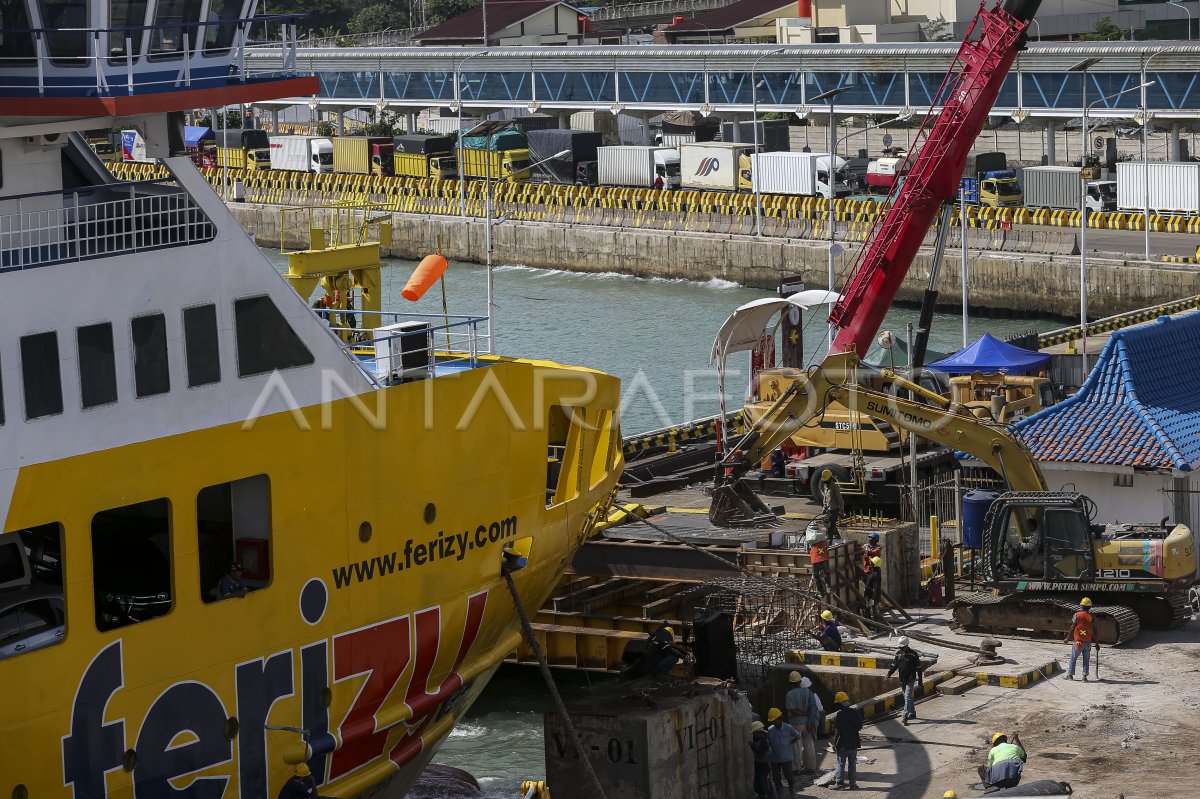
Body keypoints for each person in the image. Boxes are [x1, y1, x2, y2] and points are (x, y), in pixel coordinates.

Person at [784, 672, 819, 775]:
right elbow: (814, 707)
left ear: (790, 683)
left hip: (795, 723)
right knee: (809, 745)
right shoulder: (808, 692)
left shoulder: (789, 695)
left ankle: (796, 768)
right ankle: (810, 767)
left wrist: (804, 714)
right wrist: (810, 721)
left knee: (796, 746)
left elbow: (793, 711)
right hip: (808, 723)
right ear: (800, 682)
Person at [886, 636, 923, 725]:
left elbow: (919, 668)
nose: (901, 648)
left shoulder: (914, 654)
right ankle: (912, 713)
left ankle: (905, 716)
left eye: (902, 647)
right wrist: (888, 674)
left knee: (907, 697)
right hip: (902, 679)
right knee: (908, 698)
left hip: (911, 678)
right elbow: (894, 666)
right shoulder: (898, 654)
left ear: (907, 645)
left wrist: (920, 680)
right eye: (900, 647)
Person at [765, 707, 802, 796]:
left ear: (780, 719)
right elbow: (768, 742)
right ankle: (780, 794)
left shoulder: (788, 728)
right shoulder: (770, 730)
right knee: (776, 779)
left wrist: (791, 742)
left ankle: (791, 789)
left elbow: (798, 735)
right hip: (774, 759)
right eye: (772, 721)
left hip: (787, 758)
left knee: (789, 777)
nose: (774, 722)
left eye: (775, 720)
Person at [830, 691, 862, 791]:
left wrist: (834, 744)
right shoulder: (855, 712)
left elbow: (837, 731)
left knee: (841, 763)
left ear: (840, 704)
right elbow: (860, 726)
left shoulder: (839, 715)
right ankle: (852, 784)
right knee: (852, 764)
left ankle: (839, 783)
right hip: (853, 743)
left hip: (843, 745)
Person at [1064, 597, 1094, 681]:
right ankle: (1084, 677)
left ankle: (1070, 675)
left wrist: (1067, 638)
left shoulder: (1077, 615)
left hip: (1078, 643)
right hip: (1087, 643)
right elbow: (1095, 630)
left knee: (1073, 658)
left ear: (1081, 606)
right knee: (1086, 659)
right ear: (1090, 607)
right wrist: (1097, 643)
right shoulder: (1091, 617)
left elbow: (1072, 626)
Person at [749, 721, 776, 798]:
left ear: (759, 732)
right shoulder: (757, 741)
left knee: (766, 785)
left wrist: (753, 747)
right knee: (759, 785)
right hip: (758, 766)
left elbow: (763, 757)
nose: (754, 735)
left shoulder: (764, 742)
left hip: (764, 766)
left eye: (755, 733)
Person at [821, 470, 844, 540]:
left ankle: (829, 540)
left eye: (826, 480)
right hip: (828, 509)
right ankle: (837, 536)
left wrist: (841, 510)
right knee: (825, 522)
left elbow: (840, 499)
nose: (825, 482)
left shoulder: (834, 487)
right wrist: (824, 508)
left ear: (830, 478)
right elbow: (825, 498)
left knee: (830, 526)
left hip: (834, 509)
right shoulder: (826, 486)